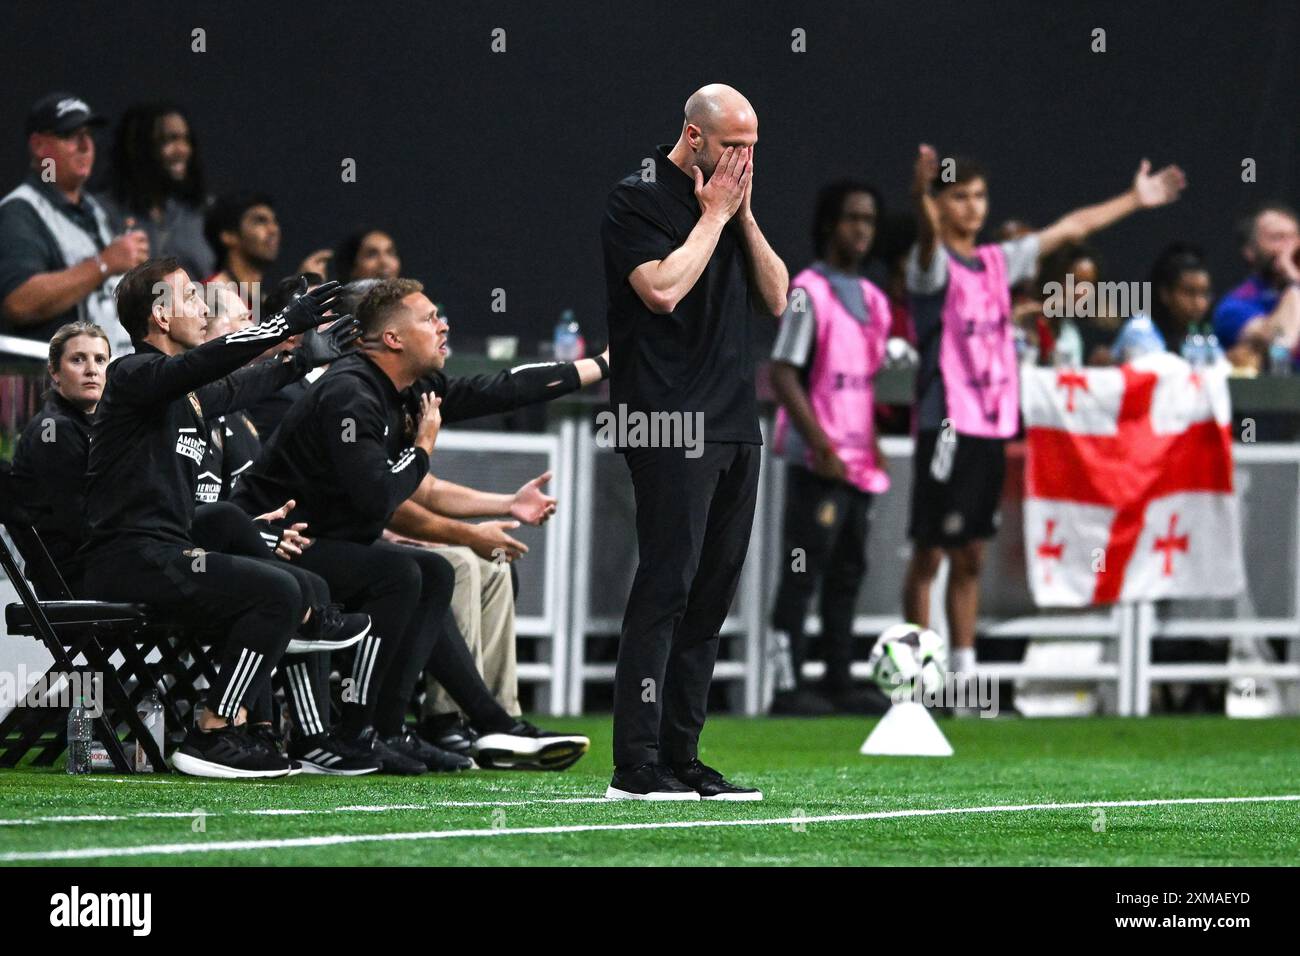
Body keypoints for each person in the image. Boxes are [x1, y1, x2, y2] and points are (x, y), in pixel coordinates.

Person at [233, 279, 594, 773]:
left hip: (327, 542)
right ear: (393, 339)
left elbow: (503, 389)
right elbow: (379, 496)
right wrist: (423, 446)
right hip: (276, 545)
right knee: (401, 574)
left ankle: (386, 729)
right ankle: (355, 731)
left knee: (433, 572)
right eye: (428, 318)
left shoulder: (408, 388)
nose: (443, 324)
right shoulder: (349, 393)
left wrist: (603, 365)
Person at [901, 145, 1186, 688]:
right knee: (930, 554)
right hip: (946, 425)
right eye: (958, 197)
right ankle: (916, 680)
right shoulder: (930, 265)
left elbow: (1071, 225)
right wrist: (920, 198)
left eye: (979, 196)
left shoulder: (996, 262)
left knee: (971, 557)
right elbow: (926, 234)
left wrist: (1136, 198)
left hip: (991, 425)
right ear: (939, 205)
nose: (973, 207)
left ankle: (964, 679)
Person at [77, 257, 351, 777]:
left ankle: (300, 634)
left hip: (165, 551)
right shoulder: (132, 372)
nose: (203, 309)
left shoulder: (181, 390)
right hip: (127, 558)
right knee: (276, 593)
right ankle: (212, 731)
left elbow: (236, 386)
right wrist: (284, 325)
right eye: (191, 298)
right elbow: (202, 367)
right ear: (159, 315)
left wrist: (296, 362)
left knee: (237, 532)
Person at [601, 84, 787, 801]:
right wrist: (712, 215)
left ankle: (683, 757)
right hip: (669, 421)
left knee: (711, 596)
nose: (744, 159)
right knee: (666, 588)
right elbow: (662, 290)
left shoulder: (733, 208)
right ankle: (636, 767)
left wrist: (742, 216)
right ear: (694, 137)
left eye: (753, 148)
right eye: (733, 146)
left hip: (736, 422)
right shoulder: (637, 197)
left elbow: (777, 296)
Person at [768, 180, 893, 717]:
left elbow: (864, 382)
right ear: (828, 225)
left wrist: (874, 442)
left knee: (848, 572)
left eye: (869, 219)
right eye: (851, 219)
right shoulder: (807, 291)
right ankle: (787, 684)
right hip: (817, 459)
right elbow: (782, 371)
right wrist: (820, 443)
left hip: (858, 463)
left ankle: (840, 677)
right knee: (801, 571)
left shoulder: (873, 300)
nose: (861, 230)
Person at [0, 92, 149, 352]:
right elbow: (19, 303)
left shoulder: (93, 209)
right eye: (70, 135)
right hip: (51, 382)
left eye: (88, 134)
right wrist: (105, 263)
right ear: (39, 146)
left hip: (105, 375)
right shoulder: (19, 212)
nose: (85, 145)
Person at [11, 321, 110, 591]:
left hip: (97, 565)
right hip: (77, 577)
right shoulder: (54, 430)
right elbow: (81, 523)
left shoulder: (94, 425)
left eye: (100, 360)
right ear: (54, 372)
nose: (92, 370)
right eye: (78, 360)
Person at [107, 102, 215, 280]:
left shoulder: (203, 213)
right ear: (140, 147)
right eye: (169, 140)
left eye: (186, 139)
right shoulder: (102, 212)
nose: (183, 149)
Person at [1211, 203, 1300, 365]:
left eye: (1294, 237)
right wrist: (1294, 284)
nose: (1290, 247)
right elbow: (1282, 343)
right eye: (1277, 238)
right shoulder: (1235, 306)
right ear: (1250, 251)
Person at [1113, 243, 1220, 363]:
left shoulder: (1202, 337)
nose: (1199, 303)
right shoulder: (1139, 329)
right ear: (1165, 294)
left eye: (1204, 293)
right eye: (1189, 293)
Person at [334, 228, 401, 281]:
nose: (384, 262)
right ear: (352, 267)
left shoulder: (409, 296)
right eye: (372, 255)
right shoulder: (338, 298)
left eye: (390, 253)